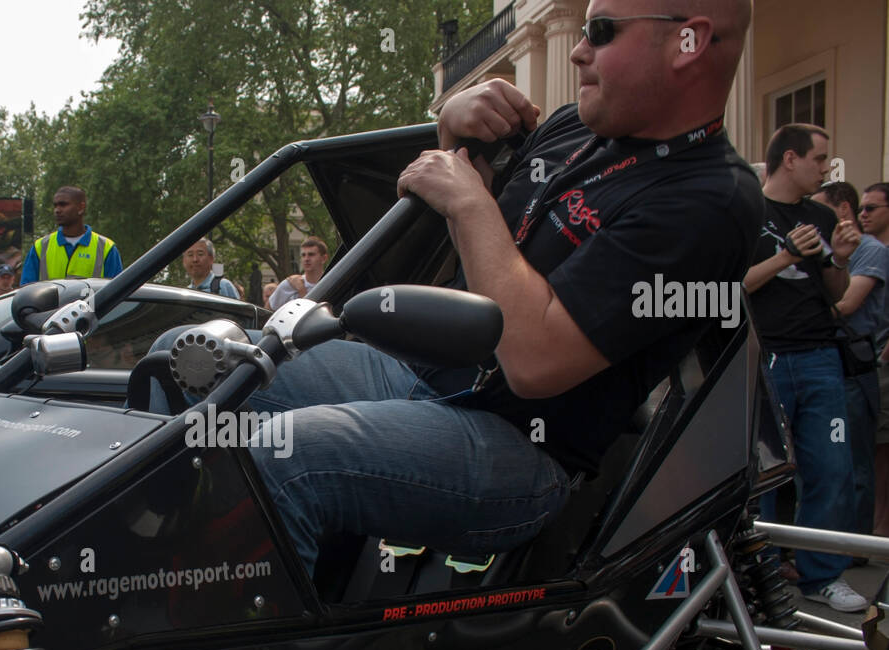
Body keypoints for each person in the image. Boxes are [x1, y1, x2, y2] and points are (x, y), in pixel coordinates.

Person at [147, 0, 761, 580]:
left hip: (522, 449)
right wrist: (455, 137)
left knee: (287, 457)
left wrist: (469, 199)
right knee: (186, 358)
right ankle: (146, 576)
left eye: (600, 32)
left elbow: (535, 360)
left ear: (690, 41)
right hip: (419, 377)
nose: (576, 51)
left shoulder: (709, 200)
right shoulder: (575, 126)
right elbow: (478, 243)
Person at [745, 124, 864, 609]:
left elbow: (836, 293)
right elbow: (735, 287)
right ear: (790, 159)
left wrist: (839, 258)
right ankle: (761, 579)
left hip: (819, 356)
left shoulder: (820, 214)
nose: (826, 168)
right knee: (764, 474)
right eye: (819, 159)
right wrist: (785, 255)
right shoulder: (746, 213)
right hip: (766, 356)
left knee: (830, 467)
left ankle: (821, 576)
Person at [810, 181, 888, 540]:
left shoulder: (870, 250)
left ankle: (856, 543)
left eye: (871, 209)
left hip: (854, 362)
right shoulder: (818, 250)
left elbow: (847, 305)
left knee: (857, 457)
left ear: (840, 210)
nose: (865, 215)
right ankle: (824, 537)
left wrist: (796, 310)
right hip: (824, 360)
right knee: (825, 458)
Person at [860, 182, 889, 535]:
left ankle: (881, 529)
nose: (863, 214)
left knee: (882, 448)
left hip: (882, 358)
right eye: (862, 208)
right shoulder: (866, 249)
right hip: (869, 358)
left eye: (872, 208)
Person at [20, 186, 123, 283]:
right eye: (55, 205)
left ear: (81, 207)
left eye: (63, 205)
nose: (57, 210)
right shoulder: (40, 247)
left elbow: (118, 292)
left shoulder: (106, 248)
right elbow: (26, 291)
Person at [268, 237, 329, 310]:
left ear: (324, 258)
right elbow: (267, 310)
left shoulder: (330, 284)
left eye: (311, 254)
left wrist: (302, 291)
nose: (306, 259)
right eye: (303, 255)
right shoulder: (289, 284)